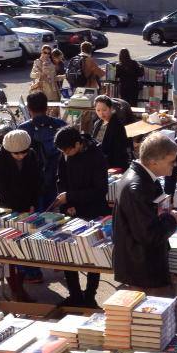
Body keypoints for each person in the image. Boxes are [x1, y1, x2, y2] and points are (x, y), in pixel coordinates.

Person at [113, 132, 177, 293]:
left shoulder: (143, 178)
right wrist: (172, 220)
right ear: (153, 162)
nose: (175, 165)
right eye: (171, 161)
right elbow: (149, 235)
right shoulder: (137, 187)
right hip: (143, 271)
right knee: (149, 316)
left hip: (143, 267)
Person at [53, 126, 111, 307]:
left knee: (93, 256)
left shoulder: (96, 157)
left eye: (68, 150)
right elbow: (60, 179)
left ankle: (90, 295)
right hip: (70, 211)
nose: (66, 154)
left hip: (92, 211)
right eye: (63, 152)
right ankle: (75, 294)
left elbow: (100, 190)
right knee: (67, 253)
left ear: (78, 144)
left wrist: (71, 197)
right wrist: (68, 203)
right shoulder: (65, 154)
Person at [0, 129, 42, 301]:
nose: (20, 156)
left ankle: (22, 282)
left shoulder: (32, 155)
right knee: (10, 250)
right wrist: (17, 212)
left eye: (23, 152)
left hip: (28, 207)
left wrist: (32, 204)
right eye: (16, 154)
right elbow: (2, 190)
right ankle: (16, 289)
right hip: (8, 208)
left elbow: (35, 181)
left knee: (26, 248)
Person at [19, 91, 67, 211]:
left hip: (33, 184)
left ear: (29, 108)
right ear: (47, 107)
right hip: (60, 180)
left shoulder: (23, 130)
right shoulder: (61, 125)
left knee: (37, 220)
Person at [91, 94, 130, 170]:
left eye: (104, 110)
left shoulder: (117, 126)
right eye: (98, 110)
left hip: (112, 162)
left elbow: (118, 151)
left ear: (111, 108)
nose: (101, 113)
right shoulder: (97, 123)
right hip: (99, 159)